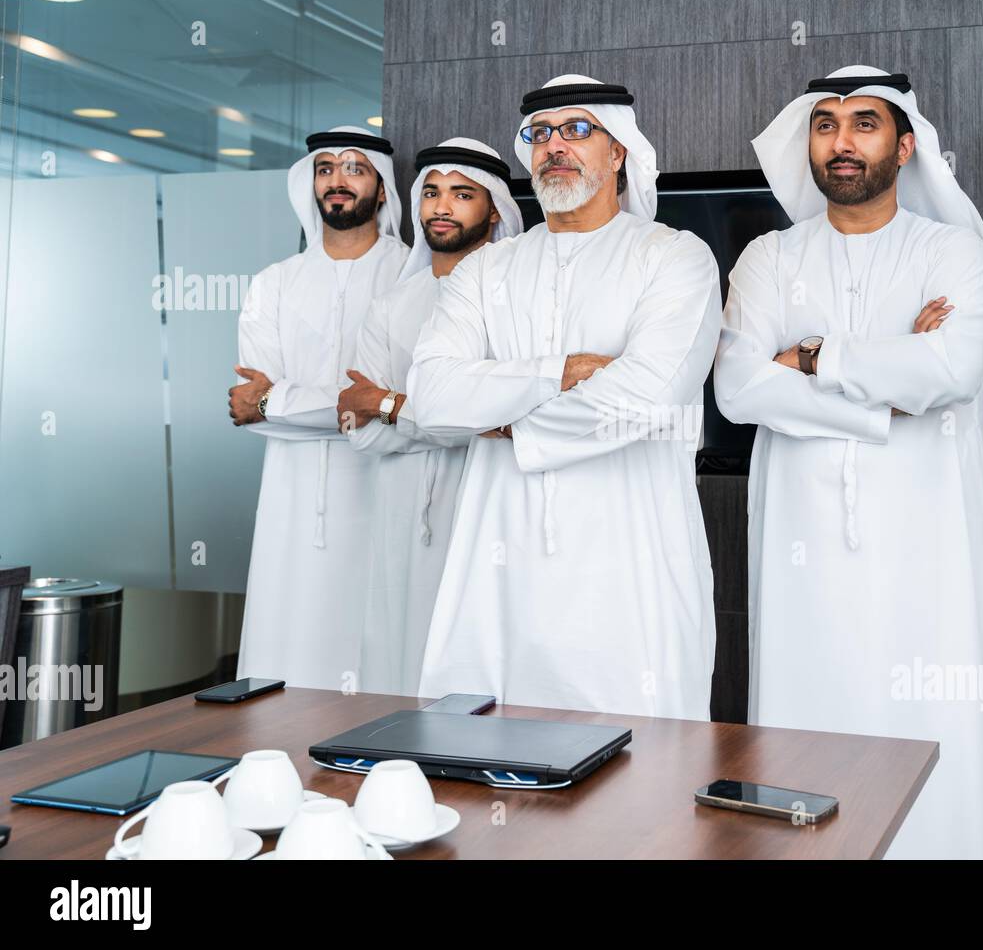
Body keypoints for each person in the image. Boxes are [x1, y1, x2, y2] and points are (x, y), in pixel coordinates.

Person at [713, 65, 983, 858]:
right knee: (805, 725)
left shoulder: (955, 251)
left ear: (905, 146)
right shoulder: (769, 257)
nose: (841, 141)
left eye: (864, 123)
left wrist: (810, 355)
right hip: (802, 552)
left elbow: (951, 371)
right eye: (826, 125)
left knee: (929, 720)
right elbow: (737, 388)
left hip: (926, 546)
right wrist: (887, 387)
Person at [405, 75, 721, 719]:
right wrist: (559, 371)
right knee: (482, 749)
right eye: (541, 133)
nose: (555, 145)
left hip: (630, 574)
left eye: (578, 130)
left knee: (637, 764)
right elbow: (432, 397)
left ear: (618, 150)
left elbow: (649, 395)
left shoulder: (675, 257)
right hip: (498, 574)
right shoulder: (486, 268)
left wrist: (505, 420)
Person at [339, 138, 522, 696]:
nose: (442, 207)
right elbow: (359, 430)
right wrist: (457, 418)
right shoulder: (391, 304)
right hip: (401, 513)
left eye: (462, 194)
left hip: (490, 503)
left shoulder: (518, 299)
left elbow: (513, 419)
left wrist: (392, 405)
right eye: (432, 193)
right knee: (400, 661)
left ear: (494, 209)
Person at [228, 126, 407, 690]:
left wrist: (278, 400)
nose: (337, 179)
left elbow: (411, 402)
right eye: (325, 168)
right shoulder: (274, 283)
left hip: (386, 491)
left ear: (383, 188)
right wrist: (362, 405)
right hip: (291, 502)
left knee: (381, 663)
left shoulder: (413, 275)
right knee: (283, 669)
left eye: (355, 167)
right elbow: (250, 408)